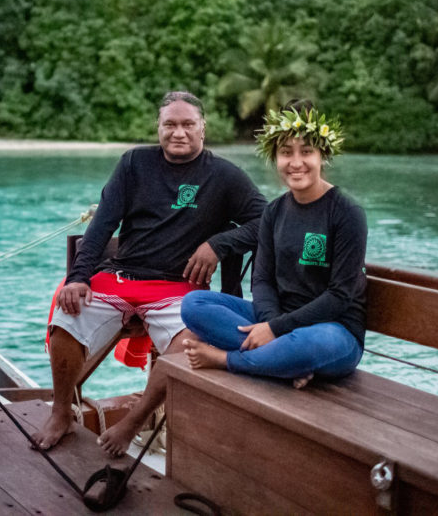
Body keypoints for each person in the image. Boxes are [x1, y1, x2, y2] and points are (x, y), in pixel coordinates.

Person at [33, 91, 267, 456]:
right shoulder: (134, 163)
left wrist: (219, 243)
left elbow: (267, 221)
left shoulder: (225, 176)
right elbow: (102, 226)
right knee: (67, 315)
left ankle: (134, 421)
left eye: (188, 124)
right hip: (120, 276)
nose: (178, 132)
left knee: (189, 343)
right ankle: (61, 411)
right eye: (169, 124)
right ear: (158, 128)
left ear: (203, 128)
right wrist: (78, 277)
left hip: (179, 288)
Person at [182, 103, 366, 388]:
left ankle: (227, 360)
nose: (296, 162)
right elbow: (262, 281)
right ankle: (283, 362)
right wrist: (271, 326)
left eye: (307, 152)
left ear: (323, 155)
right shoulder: (274, 212)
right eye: (286, 153)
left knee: (312, 343)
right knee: (194, 304)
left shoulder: (347, 213)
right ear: (275, 157)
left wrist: (275, 329)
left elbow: (339, 296)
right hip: (277, 319)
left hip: (334, 330)